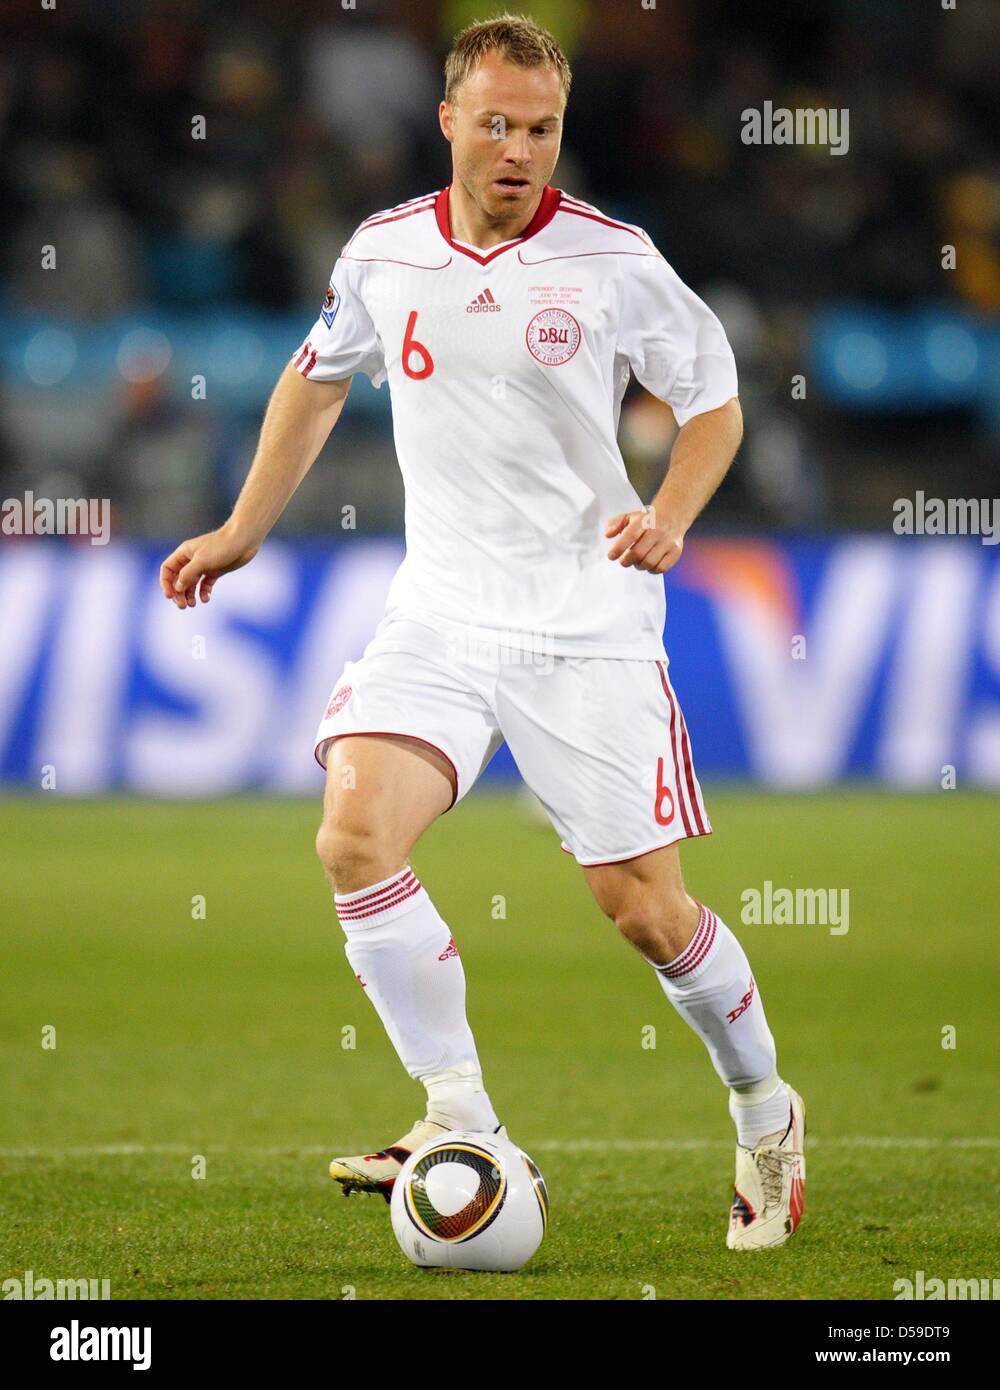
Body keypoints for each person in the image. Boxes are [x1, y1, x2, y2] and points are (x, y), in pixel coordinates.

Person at [160, 12, 805, 1251]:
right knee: (352, 833)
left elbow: (714, 400)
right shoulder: (386, 250)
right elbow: (316, 371)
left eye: (543, 128)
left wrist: (669, 513)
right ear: (448, 119)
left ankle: (764, 1106)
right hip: (442, 615)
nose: (519, 150)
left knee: (645, 913)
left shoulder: (613, 260)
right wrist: (244, 528)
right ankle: (456, 1113)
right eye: (497, 123)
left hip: (588, 626)